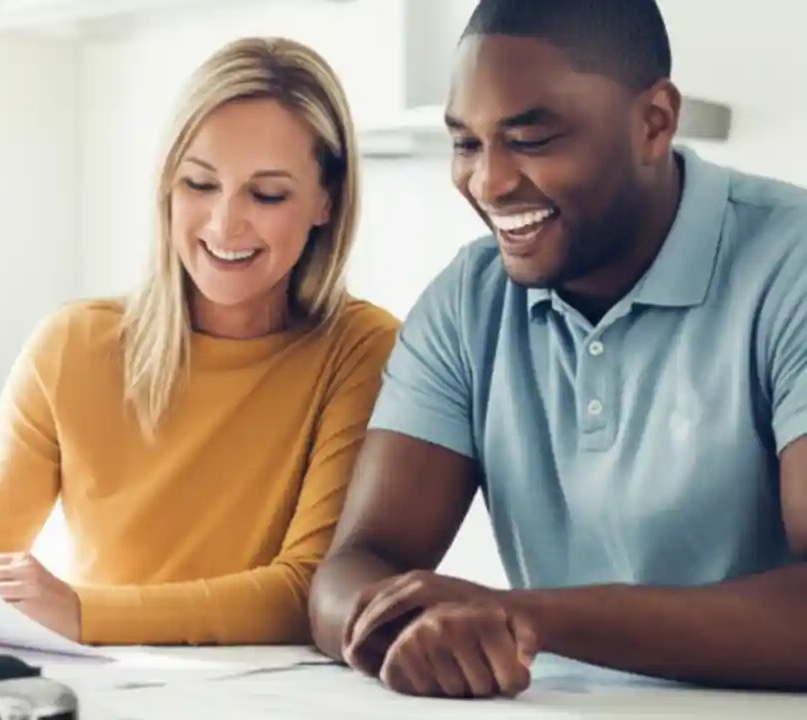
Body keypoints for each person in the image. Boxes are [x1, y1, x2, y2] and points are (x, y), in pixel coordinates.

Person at [0, 37, 402, 646]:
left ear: (327, 199)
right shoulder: (74, 347)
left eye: (267, 194)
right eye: (199, 184)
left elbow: (308, 594)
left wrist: (83, 613)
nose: (224, 224)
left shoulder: (362, 352)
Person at [309, 0, 807, 698]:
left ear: (654, 122)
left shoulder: (791, 266)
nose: (488, 183)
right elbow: (355, 565)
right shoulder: (466, 300)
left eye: (532, 140)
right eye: (466, 143)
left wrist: (525, 617)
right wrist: (411, 632)